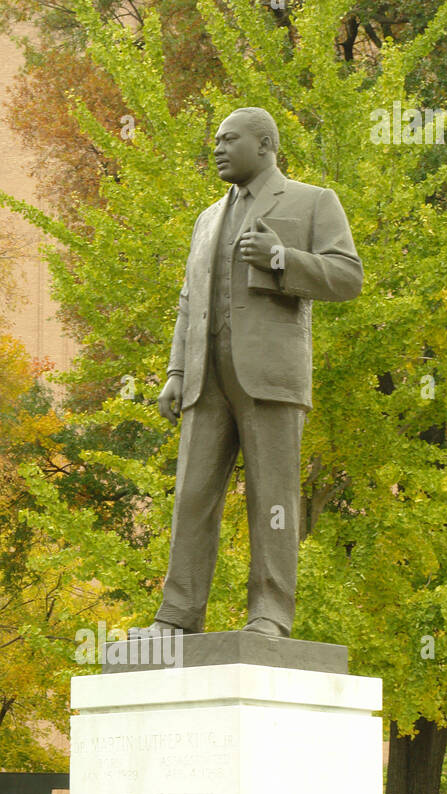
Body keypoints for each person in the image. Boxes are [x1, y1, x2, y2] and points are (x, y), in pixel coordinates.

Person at [149, 106, 363, 638]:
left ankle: (270, 613)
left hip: (270, 376)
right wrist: (176, 370)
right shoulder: (206, 219)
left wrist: (280, 257)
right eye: (215, 140)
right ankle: (176, 617)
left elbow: (347, 276)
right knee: (192, 497)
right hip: (205, 378)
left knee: (273, 499)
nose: (217, 148)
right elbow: (188, 298)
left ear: (265, 144)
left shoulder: (312, 201)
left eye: (229, 139)